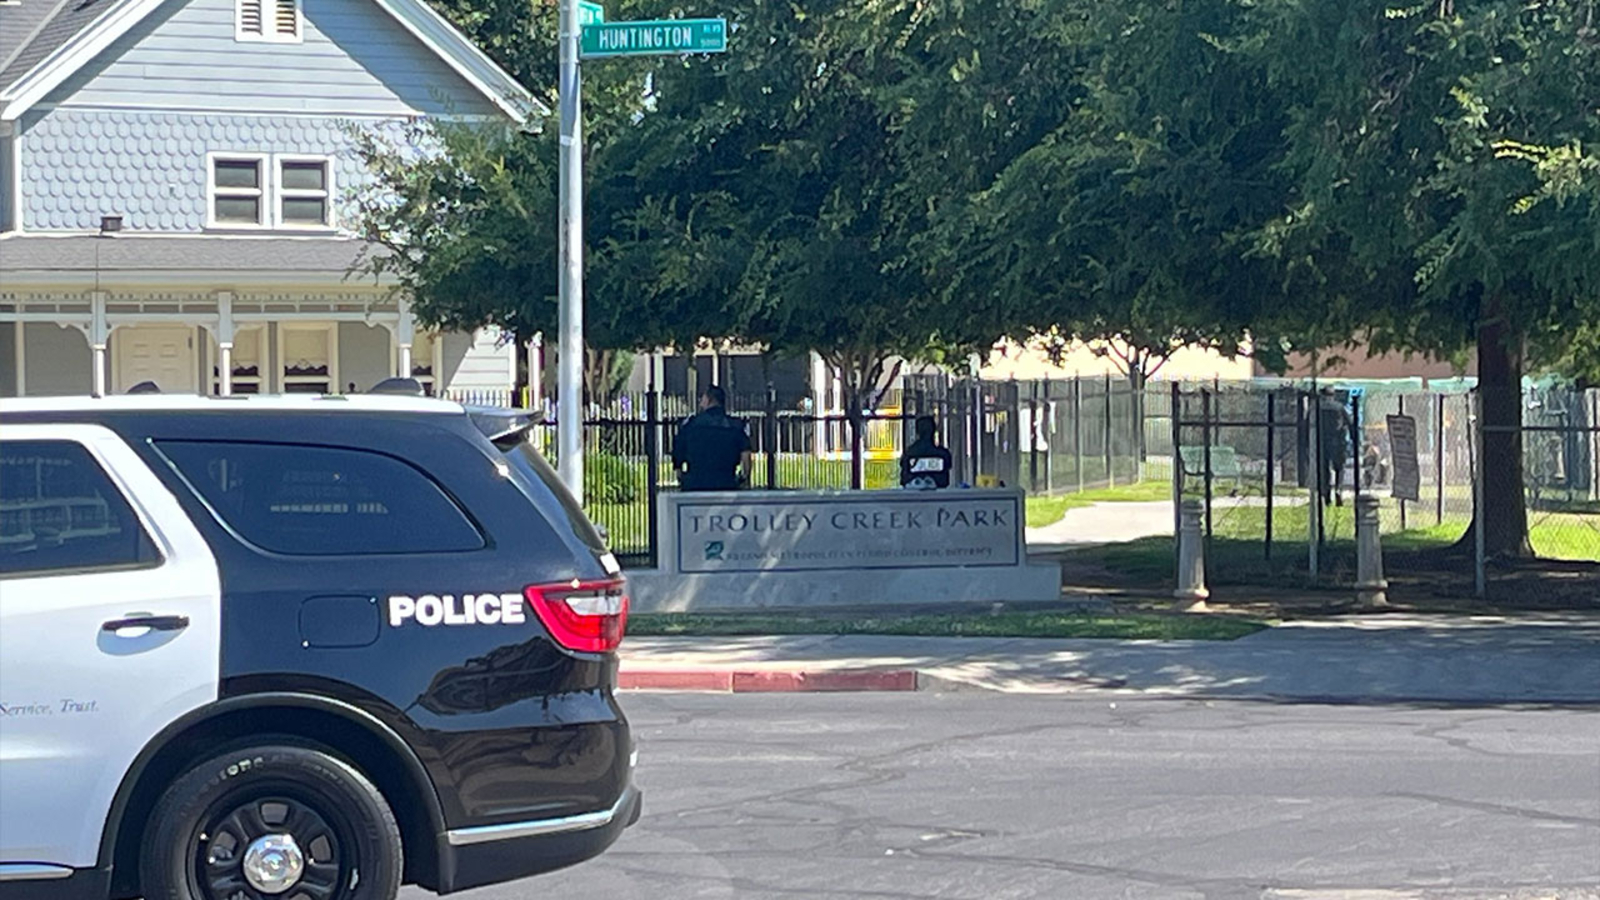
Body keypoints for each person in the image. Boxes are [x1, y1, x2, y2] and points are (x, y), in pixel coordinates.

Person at [673, 386, 752, 491]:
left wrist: (681, 476)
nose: (701, 402)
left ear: (709, 400)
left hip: (695, 483)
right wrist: (743, 478)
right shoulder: (735, 426)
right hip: (726, 483)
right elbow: (746, 458)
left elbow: (678, 451)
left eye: (703, 399)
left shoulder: (691, 424)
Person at [1317, 390, 1352, 507]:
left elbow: (1308, 425)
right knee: (1340, 468)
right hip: (1338, 441)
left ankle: (1326, 494)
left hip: (1322, 442)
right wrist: (1353, 438)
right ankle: (1338, 490)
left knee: (1324, 469)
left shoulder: (1318, 408)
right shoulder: (1339, 407)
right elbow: (1349, 423)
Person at [900, 415, 953, 489]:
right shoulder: (943, 454)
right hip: (939, 498)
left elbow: (904, 480)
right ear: (933, 430)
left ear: (917, 431)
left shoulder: (909, 454)